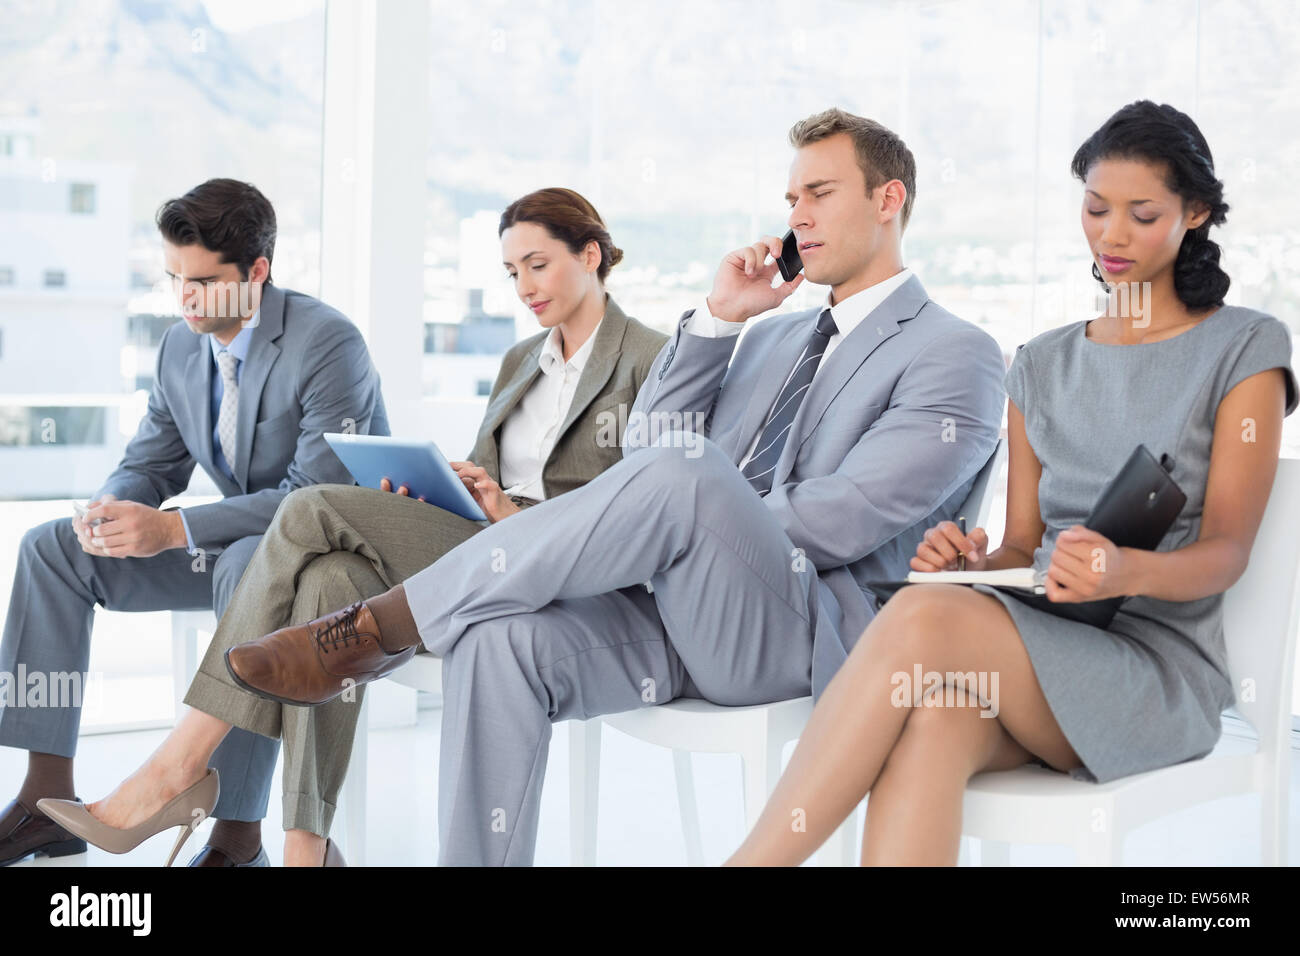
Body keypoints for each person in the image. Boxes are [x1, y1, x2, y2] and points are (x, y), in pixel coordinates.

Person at [50, 105, 1010, 867]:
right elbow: (652, 440)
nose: (794, 213)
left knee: (682, 479)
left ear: (888, 200)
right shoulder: (763, 335)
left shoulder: (957, 355)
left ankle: (380, 630)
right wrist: (717, 321)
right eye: (789, 193)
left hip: (787, 622)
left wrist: (681, 520)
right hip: (657, 601)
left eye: (820, 192)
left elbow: (844, 520)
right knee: (500, 639)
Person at [722, 100, 1300, 866]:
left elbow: (1227, 548)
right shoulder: (1039, 361)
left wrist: (1125, 569)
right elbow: (1024, 545)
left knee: (925, 623)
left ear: (1195, 213)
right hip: (1043, 644)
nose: (1112, 234)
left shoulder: (1245, 345)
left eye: (1142, 213)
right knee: (928, 722)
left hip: (1155, 670)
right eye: (1096, 209)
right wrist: (970, 563)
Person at [36, 187, 668, 866]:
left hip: (561, 567)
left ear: (592, 254)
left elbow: (647, 511)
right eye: (512, 272)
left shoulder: (650, 357)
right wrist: (449, 492)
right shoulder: (521, 362)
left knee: (310, 506)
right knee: (333, 581)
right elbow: (489, 480)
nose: (523, 287)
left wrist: (515, 515)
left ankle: (174, 767)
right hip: (485, 550)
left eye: (537, 265)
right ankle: (308, 848)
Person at [0, 178, 389, 867]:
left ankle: (236, 836)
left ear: (258, 273)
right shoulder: (180, 348)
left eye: (204, 281)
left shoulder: (328, 344)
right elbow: (150, 462)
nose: (184, 297)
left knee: (245, 569)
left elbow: (315, 497)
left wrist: (174, 531)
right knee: (49, 550)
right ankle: (45, 794)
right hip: (228, 541)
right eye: (175, 276)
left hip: (322, 556)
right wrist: (111, 509)